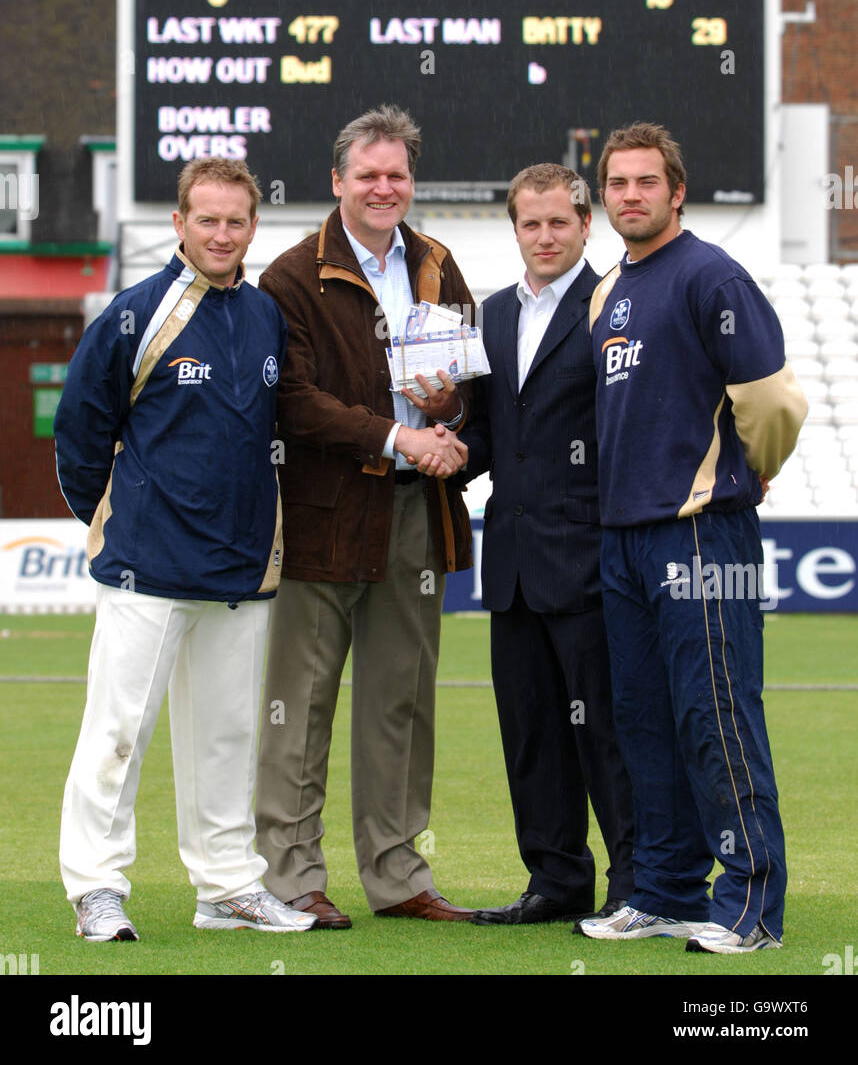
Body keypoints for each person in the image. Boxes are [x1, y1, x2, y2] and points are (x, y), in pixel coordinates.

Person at [54, 158, 316, 940]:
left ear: (252, 227)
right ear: (180, 223)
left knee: (230, 738)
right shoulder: (137, 313)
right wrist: (112, 519)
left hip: (241, 569)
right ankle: (96, 888)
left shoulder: (267, 314)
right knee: (117, 735)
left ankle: (227, 887)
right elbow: (79, 431)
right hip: (147, 566)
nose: (222, 234)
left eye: (236, 221)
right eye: (207, 219)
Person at [578, 123, 807, 954]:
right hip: (625, 539)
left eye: (647, 182)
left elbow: (774, 402)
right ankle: (667, 890)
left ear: (678, 191)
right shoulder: (608, 291)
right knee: (643, 720)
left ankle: (751, 907)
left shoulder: (712, 273)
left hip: (703, 536)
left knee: (716, 716)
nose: (630, 195)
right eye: (617, 183)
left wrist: (749, 470)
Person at [255, 104, 476, 926]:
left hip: (417, 515)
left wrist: (447, 412)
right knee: (300, 703)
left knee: (400, 699)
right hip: (322, 514)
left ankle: (396, 873)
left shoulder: (439, 264)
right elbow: (294, 402)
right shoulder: (289, 276)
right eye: (369, 174)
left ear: (410, 182)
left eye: (397, 175)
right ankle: (290, 877)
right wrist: (396, 436)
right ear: (337, 181)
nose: (384, 187)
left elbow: (462, 380)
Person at [457, 164, 634, 926]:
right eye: (531, 223)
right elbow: (492, 441)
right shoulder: (493, 316)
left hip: (590, 561)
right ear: (515, 227)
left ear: (586, 225)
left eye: (559, 222)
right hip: (513, 567)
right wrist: (441, 439)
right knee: (530, 734)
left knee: (607, 737)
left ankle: (638, 887)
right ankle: (555, 880)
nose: (545, 236)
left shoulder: (615, 306)